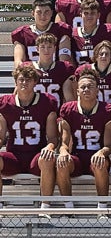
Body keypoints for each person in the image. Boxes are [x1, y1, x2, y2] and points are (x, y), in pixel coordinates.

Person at [56, 69, 111, 212]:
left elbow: (108, 145)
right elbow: (64, 143)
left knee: (99, 162)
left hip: (96, 156)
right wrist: (64, 152)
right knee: (62, 162)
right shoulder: (68, 109)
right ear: (77, 91)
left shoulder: (107, 110)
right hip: (77, 156)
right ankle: (68, 208)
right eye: (83, 87)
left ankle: (102, 208)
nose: (86, 90)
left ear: (97, 90)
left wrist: (102, 152)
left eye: (90, 87)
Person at [0, 64, 59, 208]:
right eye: (21, 79)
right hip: (14, 156)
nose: (24, 83)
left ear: (35, 82)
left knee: (48, 157)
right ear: (15, 82)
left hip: (36, 156)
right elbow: (1, 136)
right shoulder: (5, 104)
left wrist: (50, 147)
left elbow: (52, 138)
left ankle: (45, 207)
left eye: (28, 79)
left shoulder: (47, 102)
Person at [12, 0, 72, 66]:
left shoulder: (61, 30)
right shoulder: (22, 33)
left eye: (46, 12)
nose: (43, 16)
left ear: (52, 13)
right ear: (32, 13)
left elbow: (64, 62)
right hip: (31, 74)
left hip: (55, 73)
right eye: (39, 12)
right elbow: (18, 63)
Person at [25, 33, 76, 107]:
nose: (46, 50)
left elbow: (69, 97)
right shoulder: (28, 68)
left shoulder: (64, 68)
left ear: (55, 48)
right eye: (42, 47)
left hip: (56, 114)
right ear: (37, 49)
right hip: (34, 114)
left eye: (49, 47)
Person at [75, 40, 111, 105]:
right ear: (96, 56)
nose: (104, 56)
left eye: (106, 54)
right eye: (101, 54)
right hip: (93, 109)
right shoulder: (84, 70)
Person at [70, 0, 111, 65]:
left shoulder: (109, 31)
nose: (89, 16)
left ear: (98, 15)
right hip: (80, 73)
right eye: (86, 13)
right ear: (81, 15)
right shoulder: (73, 34)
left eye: (93, 13)